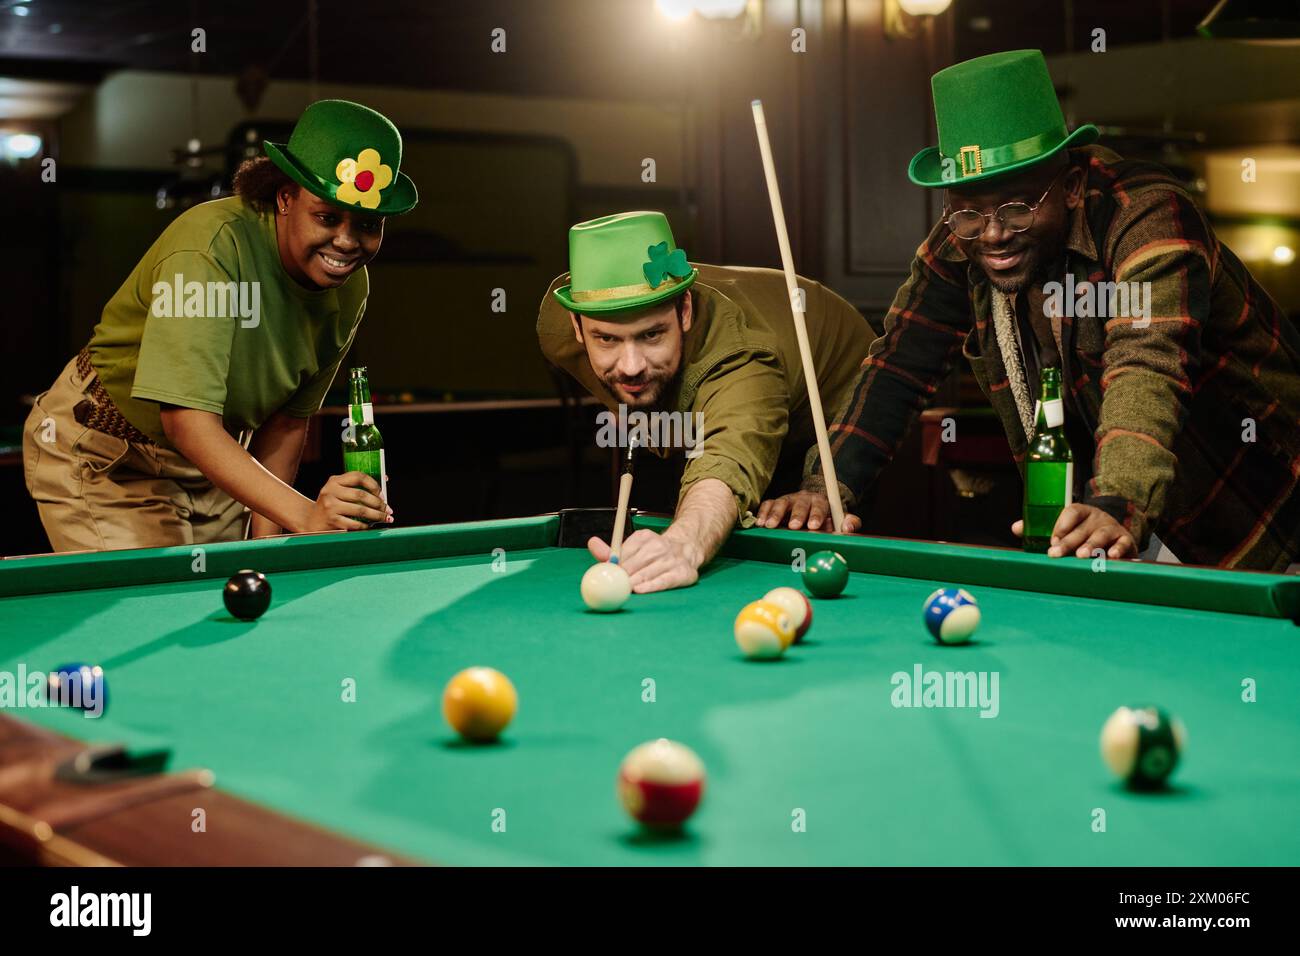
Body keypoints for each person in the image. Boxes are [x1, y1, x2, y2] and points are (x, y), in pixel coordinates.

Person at [759, 49, 1300, 572]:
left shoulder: (1149, 217)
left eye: (1017, 207)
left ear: (1069, 187)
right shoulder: (963, 237)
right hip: (1123, 535)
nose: (992, 234)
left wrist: (1116, 501)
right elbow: (898, 367)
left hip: (1270, 519)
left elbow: (1146, 360)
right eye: (966, 211)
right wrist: (827, 487)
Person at [24, 99, 418, 552]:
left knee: (233, 592)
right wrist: (305, 514)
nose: (347, 242)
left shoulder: (350, 287)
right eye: (327, 217)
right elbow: (187, 421)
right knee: (161, 606)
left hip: (215, 465)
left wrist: (268, 542)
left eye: (368, 224)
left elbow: (288, 420)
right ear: (285, 198)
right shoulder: (210, 248)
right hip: (110, 455)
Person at [537, 211, 875, 592]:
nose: (630, 367)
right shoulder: (562, 337)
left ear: (684, 312)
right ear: (576, 327)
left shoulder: (742, 358)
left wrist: (683, 544)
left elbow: (730, 453)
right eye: (607, 339)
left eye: (651, 335)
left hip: (848, 427)